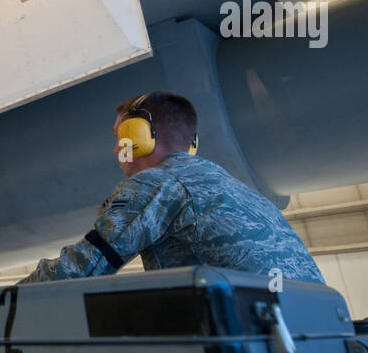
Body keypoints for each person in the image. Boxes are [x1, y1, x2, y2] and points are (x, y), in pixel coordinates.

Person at [20, 91, 324, 285]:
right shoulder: (233, 186)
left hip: (253, 351)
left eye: (119, 138)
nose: (116, 150)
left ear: (138, 136)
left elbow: (79, 271)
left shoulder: (157, 183)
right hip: (313, 340)